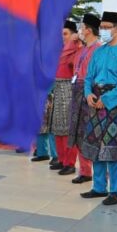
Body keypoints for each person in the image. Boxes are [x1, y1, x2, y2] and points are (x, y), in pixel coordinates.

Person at [81, 11, 117, 206]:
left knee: (114, 147)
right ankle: (99, 187)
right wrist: (88, 93)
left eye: (107, 27)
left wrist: (107, 99)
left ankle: (116, 191)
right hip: (95, 101)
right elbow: (88, 77)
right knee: (95, 144)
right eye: (102, 27)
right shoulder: (98, 52)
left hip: (115, 104)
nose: (103, 30)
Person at [69, 14, 102, 184]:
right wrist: (73, 42)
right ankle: (84, 170)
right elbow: (67, 57)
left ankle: (96, 172)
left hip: (91, 92)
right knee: (78, 132)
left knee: (91, 132)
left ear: (88, 30)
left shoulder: (99, 49)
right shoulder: (81, 49)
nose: (80, 31)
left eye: (82, 28)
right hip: (76, 90)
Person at [50, 21, 83, 175]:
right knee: (57, 127)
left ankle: (70, 163)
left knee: (68, 128)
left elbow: (73, 64)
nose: (63, 37)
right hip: (58, 87)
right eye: (61, 34)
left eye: (66, 34)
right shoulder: (62, 49)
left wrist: (73, 43)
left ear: (73, 34)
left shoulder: (76, 49)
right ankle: (62, 159)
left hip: (69, 88)